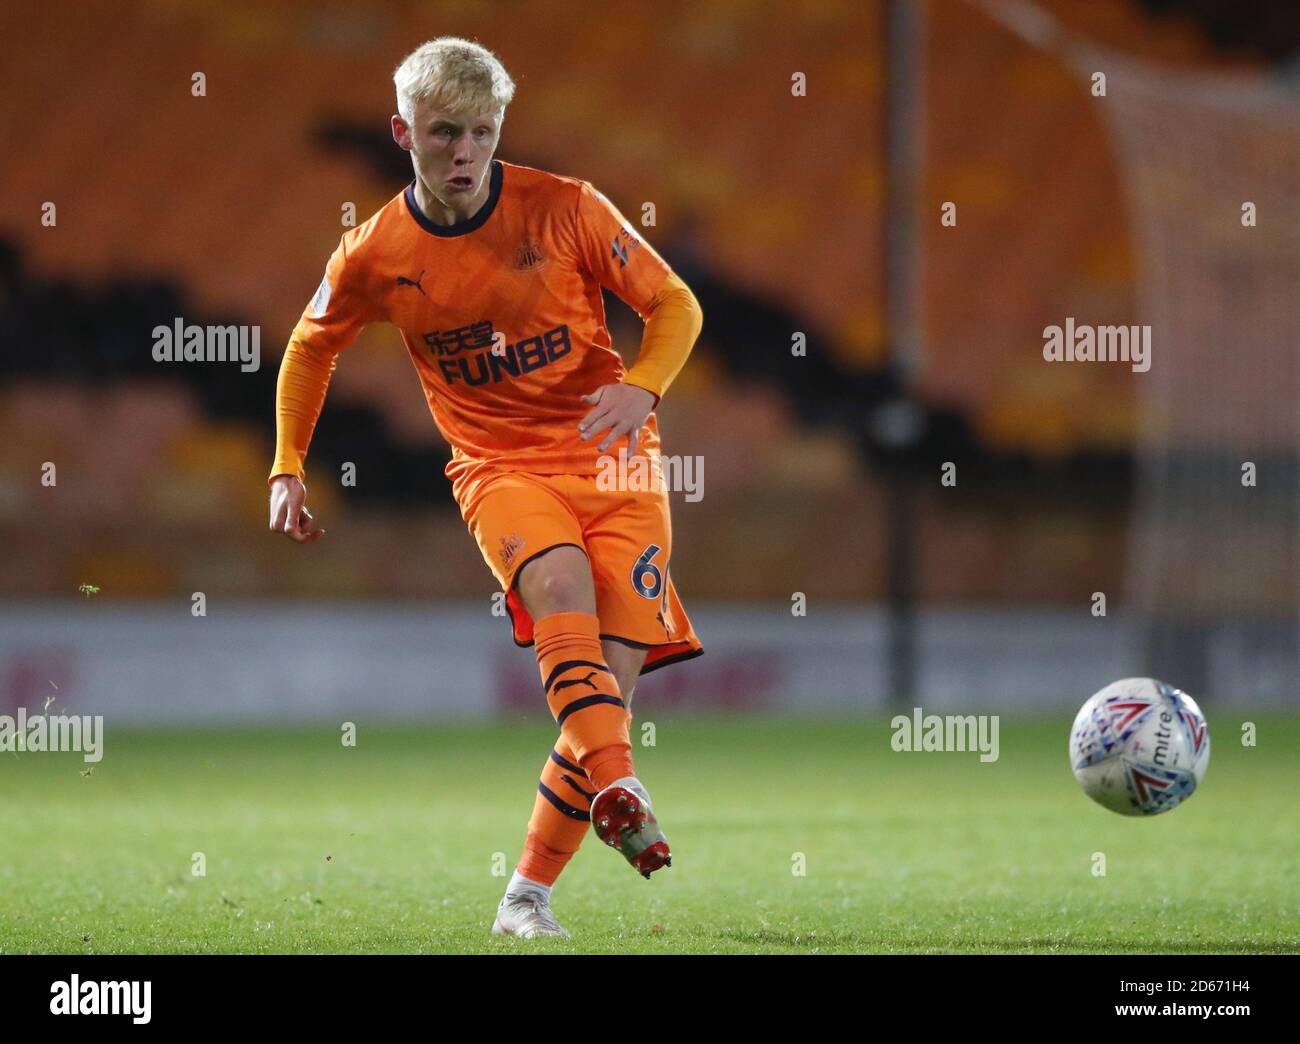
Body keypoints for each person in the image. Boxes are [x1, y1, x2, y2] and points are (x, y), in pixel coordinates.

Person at [267, 37, 704, 939]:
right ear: (402, 133)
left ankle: (526, 896)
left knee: (604, 700)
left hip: (615, 454)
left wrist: (643, 385)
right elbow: (312, 346)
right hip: (499, 464)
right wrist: (286, 465)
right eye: (442, 133)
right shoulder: (374, 253)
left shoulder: (568, 208)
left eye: (481, 131)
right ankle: (621, 786)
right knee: (557, 593)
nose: (464, 152)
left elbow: (676, 304)